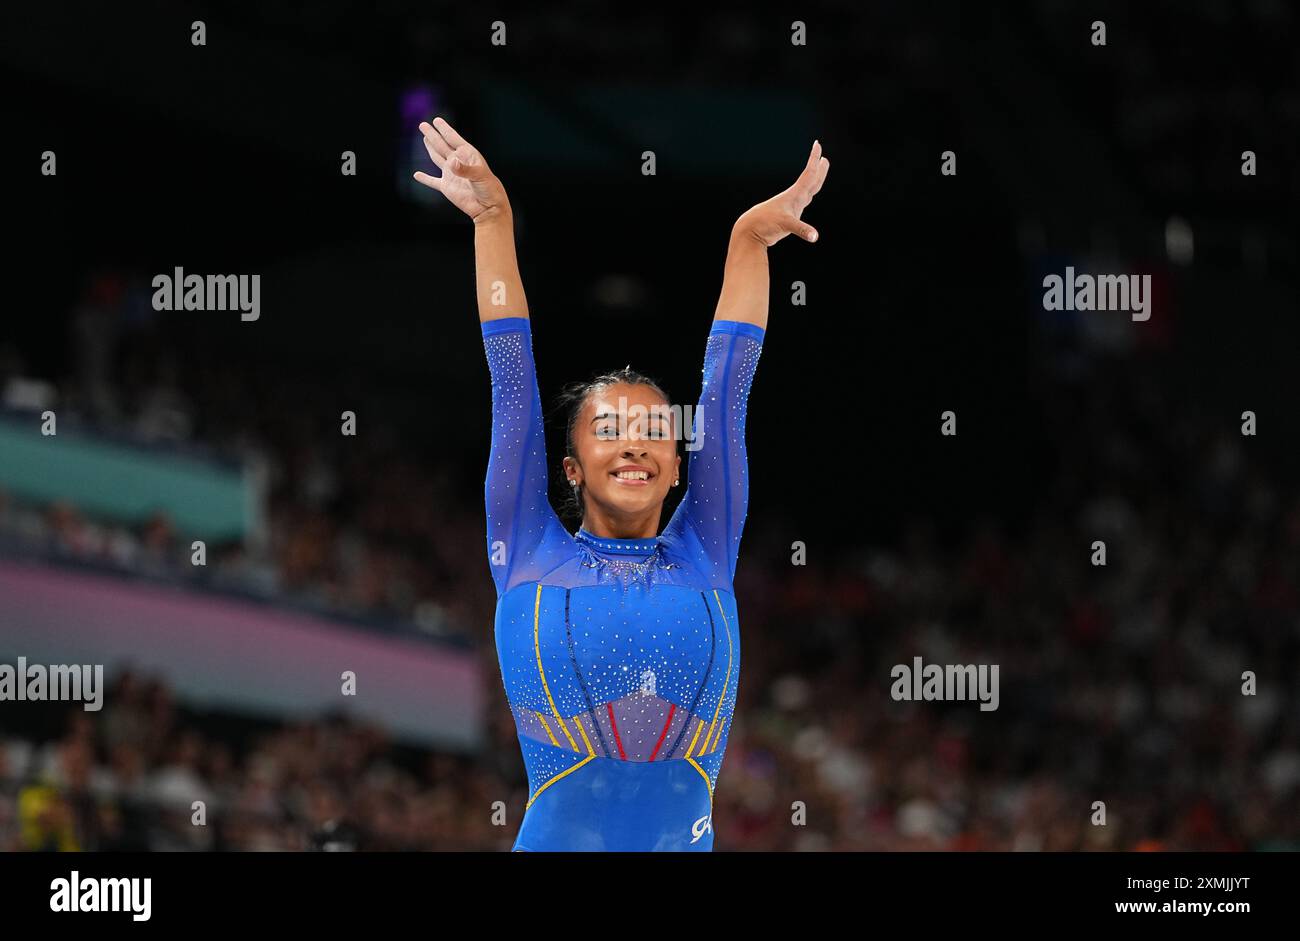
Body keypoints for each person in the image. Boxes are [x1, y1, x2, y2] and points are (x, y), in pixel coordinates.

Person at [415, 116, 828, 850]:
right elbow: (510, 377)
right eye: (608, 431)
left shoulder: (706, 549)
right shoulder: (528, 546)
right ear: (569, 467)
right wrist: (493, 220)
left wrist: (747, 241)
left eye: (655, 433)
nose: (633, 443)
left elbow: (728, 390)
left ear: (678, 466)